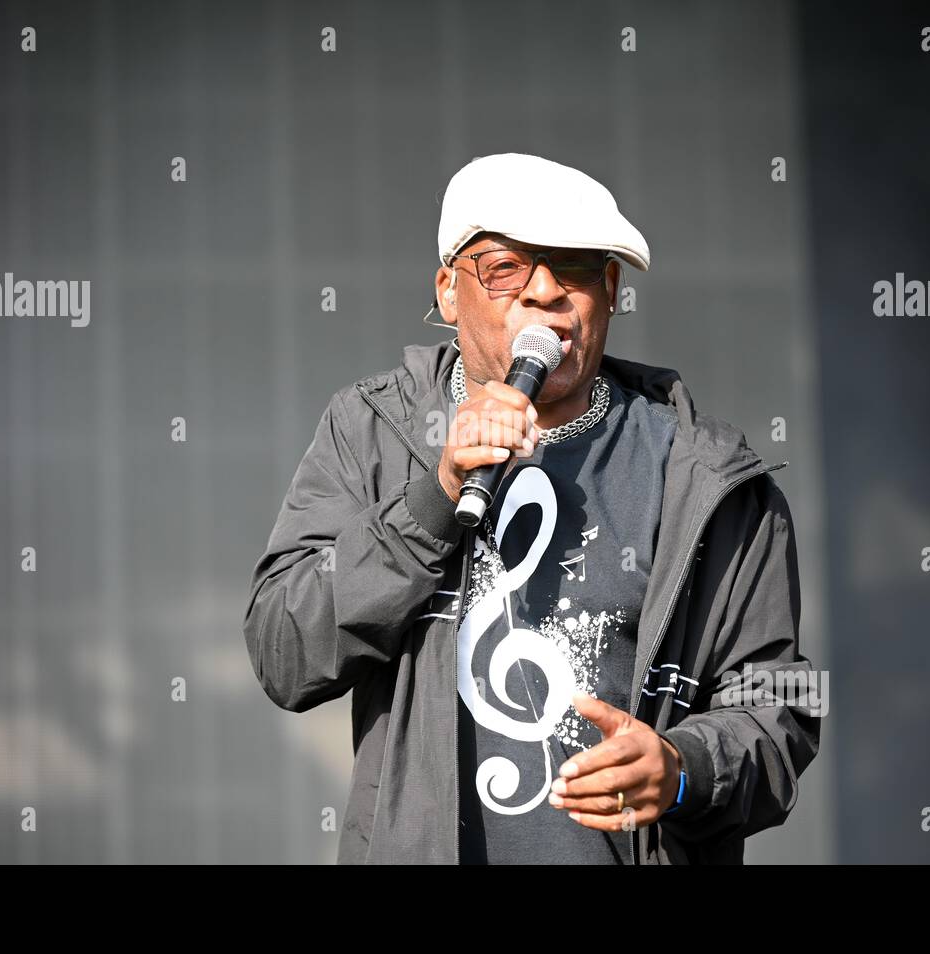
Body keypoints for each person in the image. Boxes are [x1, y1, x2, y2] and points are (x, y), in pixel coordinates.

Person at [243, 152, 820, 864]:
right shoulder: (371, 432)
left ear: (609, 290)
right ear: (449, 292)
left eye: (575, 267)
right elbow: (284, 653)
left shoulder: (706, 477)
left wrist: (681, 769)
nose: (545, 291)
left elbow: (781, 708)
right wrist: (435, 496)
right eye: (506, 267)